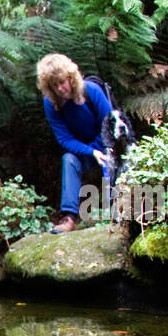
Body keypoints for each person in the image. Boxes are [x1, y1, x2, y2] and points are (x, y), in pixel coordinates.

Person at [37, 54, 110, 234]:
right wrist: (91, 151)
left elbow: (110, 125)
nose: (60, 88)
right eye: (54, 85)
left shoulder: (91, 91)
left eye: (62, 82)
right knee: (68, 159)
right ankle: (69, 217)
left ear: (71, 78)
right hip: (85, 153)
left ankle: (120, 213)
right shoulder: (51, 103)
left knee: (114, 161)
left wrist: (100, 149)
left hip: (108, 146)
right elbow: (64, 139)